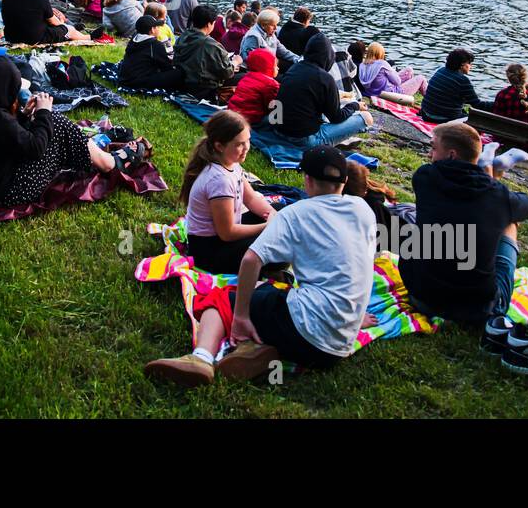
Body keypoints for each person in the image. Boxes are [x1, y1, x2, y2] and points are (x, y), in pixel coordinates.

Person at [145, 145, 376, 387]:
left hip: (304, 329)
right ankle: (256, 350)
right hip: (337, 347)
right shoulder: (363, 211)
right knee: (264, 291)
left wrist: (241, 316)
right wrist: (356, 316)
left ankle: (201, 358)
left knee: (223, 298)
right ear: (345, 181)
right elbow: (359, 267)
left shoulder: (295, 214)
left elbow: (251, 259)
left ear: (306, 179)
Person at [401, 122, 528, 374]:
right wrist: (492, 184)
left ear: (450, 155)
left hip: (421, 295)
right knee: (509, 222)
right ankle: (490, 168)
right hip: (479, 308)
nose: (429, 154)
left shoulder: (424, 178)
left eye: (433, 148)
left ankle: (489, 167)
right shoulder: (496, 196)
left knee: (461, 222)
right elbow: (526, 206)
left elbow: (463, 198)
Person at [0, 59, 147, 207]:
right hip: (0, 192)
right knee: (56, 123)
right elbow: (35, 148)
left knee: (47, 124)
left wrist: (24, 116)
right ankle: (110, 163)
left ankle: (95, 150)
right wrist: (43, 113)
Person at [178, 109, 276, 274]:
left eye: (248, 141)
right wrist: (266, 227)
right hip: (210, 252)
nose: (246, 148)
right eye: (239, 144)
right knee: (278, 250)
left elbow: (251, 199)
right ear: (219, 146)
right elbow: (227, 233)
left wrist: (275, 216)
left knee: (280, 212)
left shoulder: (230, 162)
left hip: (223, 237)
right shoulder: (219, 180)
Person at [270, 40, 372, 147]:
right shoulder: (325, 79)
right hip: (304, 140)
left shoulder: (294, 68)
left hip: (278, 132)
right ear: (328, 57)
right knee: (366, 117)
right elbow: (337, 117)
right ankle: (334, 140)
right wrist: (355, 105)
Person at [174, 5, 241, 100]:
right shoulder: (211, 44)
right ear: (209, 24)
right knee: (245, 77)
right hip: (204, 87)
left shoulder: (182, 37)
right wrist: (235, 62)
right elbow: (226, 72)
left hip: (184, 81)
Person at [419, 47, 496, 124]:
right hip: (443, 120)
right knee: (477, 120)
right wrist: (497, 103)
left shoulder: (441, 70)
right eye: (469, 63)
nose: (470, 66)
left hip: (425, 115)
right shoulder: (462, 80)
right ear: (462, 64)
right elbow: (477, 105)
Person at [118, 15, 187, 91]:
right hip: (137, 82)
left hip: (125, 78)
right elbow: (166, 67)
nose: (159, 29)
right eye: (157, 27)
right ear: (152, 30)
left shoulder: (134, 38)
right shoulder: (154, 44)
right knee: (179, 73)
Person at [226, 48, 279, 125]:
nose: (278, 68)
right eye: (275, 65)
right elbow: (273, 105)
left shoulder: (247, 77)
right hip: (250, 120)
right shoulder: (270, 84)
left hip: (233, 114)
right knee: (278, 116)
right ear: (268, 67)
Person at [358, 42, 428, 100]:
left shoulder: (362, 65)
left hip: (372, 92)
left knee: (408, 70)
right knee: (421, 78)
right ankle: (430, 99)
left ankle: (410, 89)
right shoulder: (382, 64)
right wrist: (392, 71)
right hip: (391, 94)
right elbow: (397, 81)